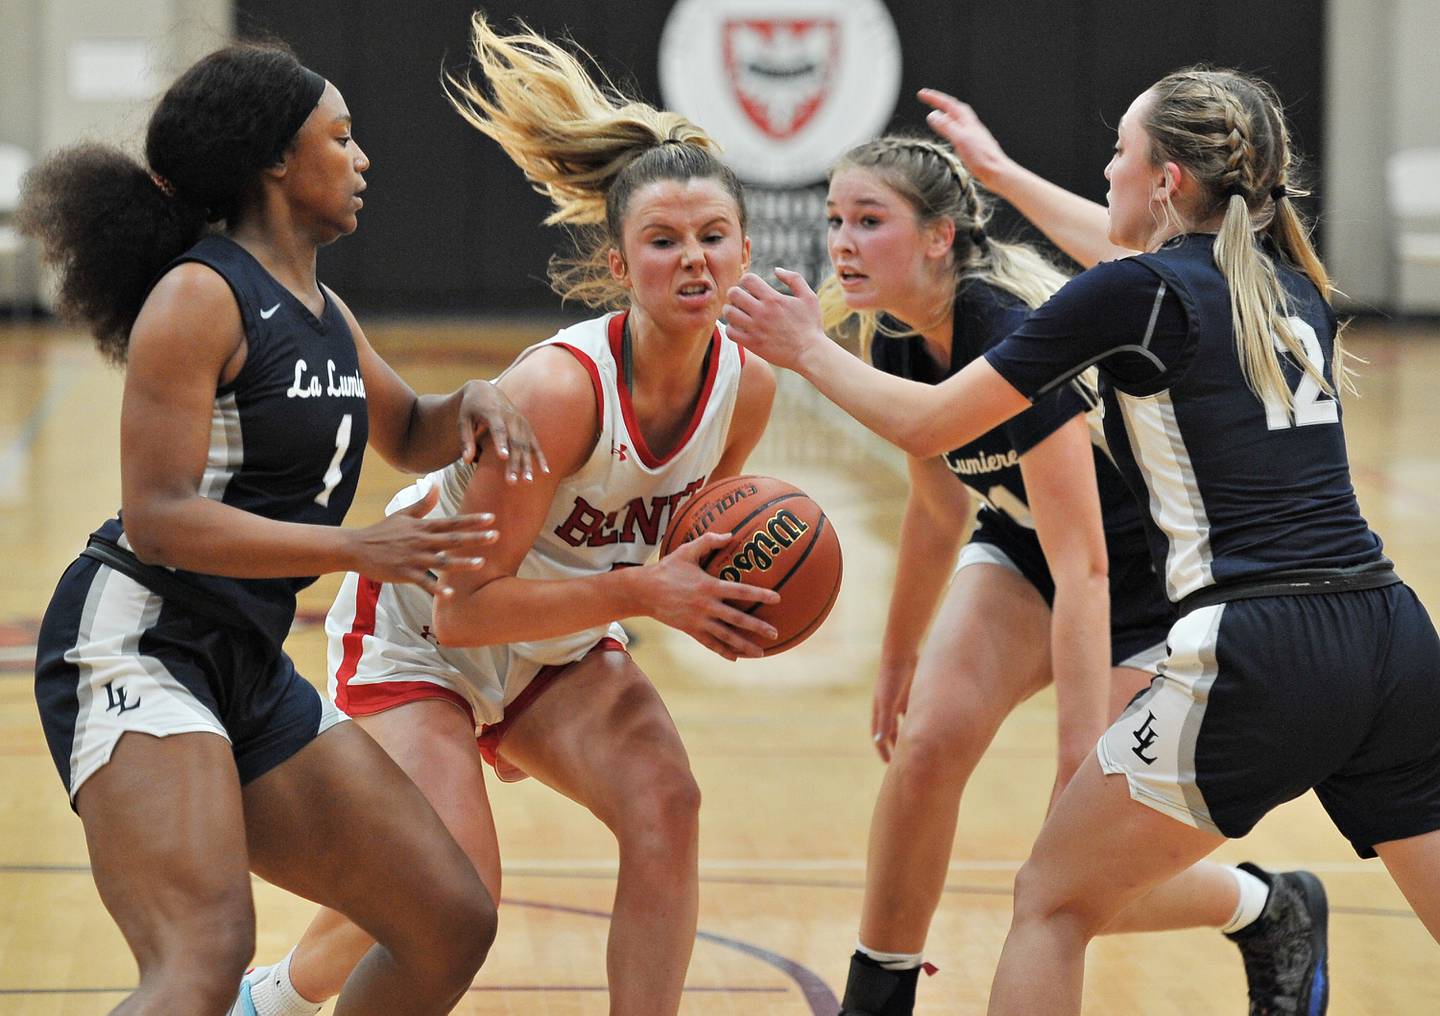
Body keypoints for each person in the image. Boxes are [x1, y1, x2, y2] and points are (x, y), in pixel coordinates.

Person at [726, 66, 1440, 1016]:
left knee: (1050, 903)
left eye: (1120, 151)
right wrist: (1005, 174)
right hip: (1391, 633)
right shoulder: (1281, 284)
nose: (1106, 169)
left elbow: (938, 423)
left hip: (1260, 646)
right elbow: (1124, 268)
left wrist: (807, 347)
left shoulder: (1139, 293)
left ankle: (1263, 910)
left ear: (1167, 181)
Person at [233, 14, 777, 1016]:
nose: (693, 261)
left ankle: (267, 996)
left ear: (745, 248)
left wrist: (734, 590)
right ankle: (271, 997)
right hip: (424, 631)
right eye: (663, 241)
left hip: (555, 636)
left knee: (668, 801)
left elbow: (680, 542)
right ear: (619, 264)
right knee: (454, 896)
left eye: (712, 238)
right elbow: (463, 612)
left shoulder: (749, 389)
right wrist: (646, 593)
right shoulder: (560, 392)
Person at [21, 42, 549, 1016]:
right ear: (275, 159)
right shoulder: (198, 296)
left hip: (247, 660)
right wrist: (352, 548)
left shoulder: (323, 309)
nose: (362, 159)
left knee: (446, 916)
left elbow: (406, 431)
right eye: (340, 137)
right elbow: (161, 516)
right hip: (142, 641)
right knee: (204, 950)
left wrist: (473, 399)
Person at [816, 135, 1325, 1016]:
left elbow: (1086, 564)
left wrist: (1076, 746)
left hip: (1144, 584)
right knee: (928, 746)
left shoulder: (1004, 326)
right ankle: (879, 992)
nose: (842, 243)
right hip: (1028, 552)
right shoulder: (900, 335)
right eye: (834, 221)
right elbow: (940, 508)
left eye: (869, 220)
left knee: (1077, 876)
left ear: (938, 238)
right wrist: (898, 656)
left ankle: (1265, 904)